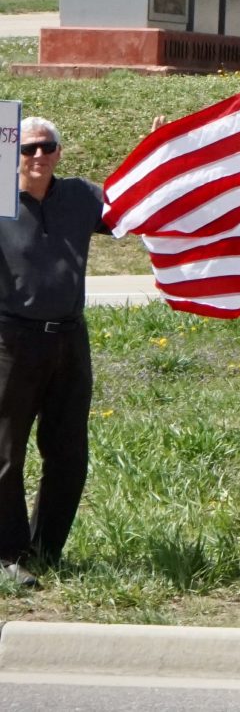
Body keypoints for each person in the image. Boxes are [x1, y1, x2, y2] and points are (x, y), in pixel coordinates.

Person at [0, 118, 108, 586]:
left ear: (60, 153)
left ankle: (45, 552)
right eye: (27, 150)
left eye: (47, 148)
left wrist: (155, 150)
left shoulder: (81, 197)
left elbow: (136, 207)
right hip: (10, 341)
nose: (38, 157)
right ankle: (9, 556)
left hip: (69, 339)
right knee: (5, 454)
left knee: (68, 454)